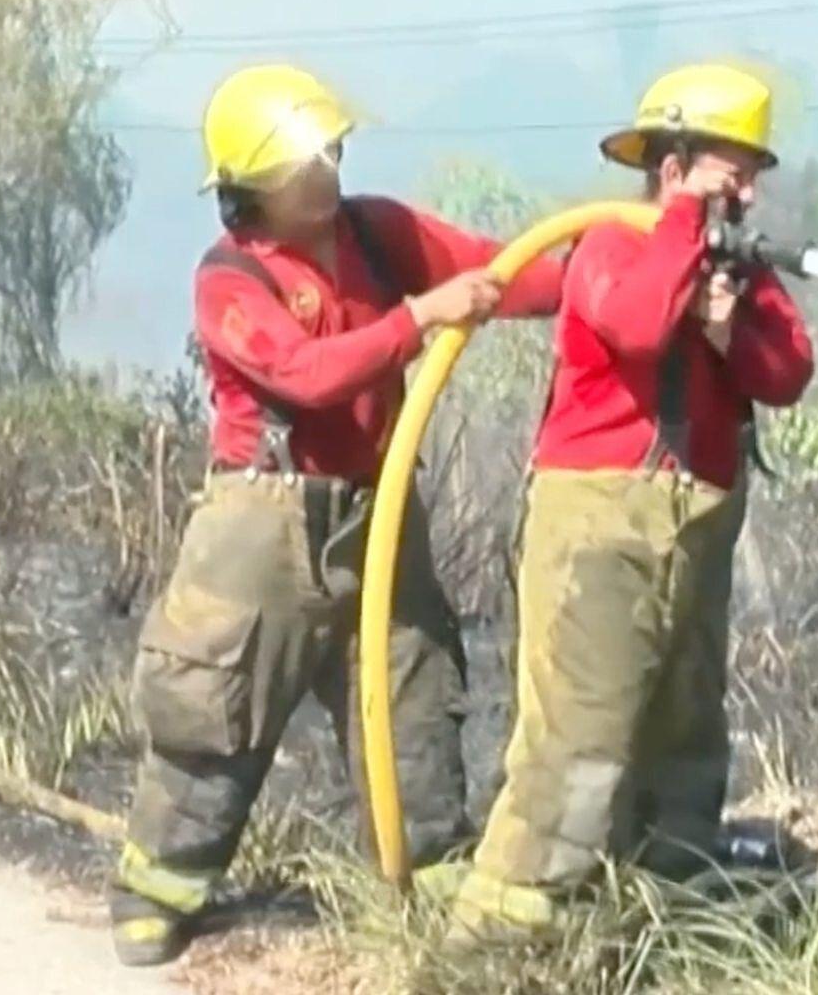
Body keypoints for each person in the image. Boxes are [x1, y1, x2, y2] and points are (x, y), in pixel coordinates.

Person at [110, 64, 567, 967]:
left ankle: (426, 875)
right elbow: (303, 375)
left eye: (331, 149)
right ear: (253, 181)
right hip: (263, 524)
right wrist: (416, 321)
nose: (329, 166)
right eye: (305, 157)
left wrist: (601, 272)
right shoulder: (230, 280)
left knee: (415, 689)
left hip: (379, 509)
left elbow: (497, 274)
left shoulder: (379, 231)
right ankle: (159, 887)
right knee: (217, 703)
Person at [450, 63, 815, 933]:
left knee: (683, 734)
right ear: (675, 164)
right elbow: (642, 323)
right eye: (734, 173)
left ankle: (662, 909)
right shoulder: (613, 244)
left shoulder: (738, 270)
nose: (751, 196)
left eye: (754, 176)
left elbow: (789, 371)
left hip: (696, 526)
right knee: (582, 732)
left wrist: (728, 329)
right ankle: (502, 931)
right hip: (600, 526)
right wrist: (687, 224)